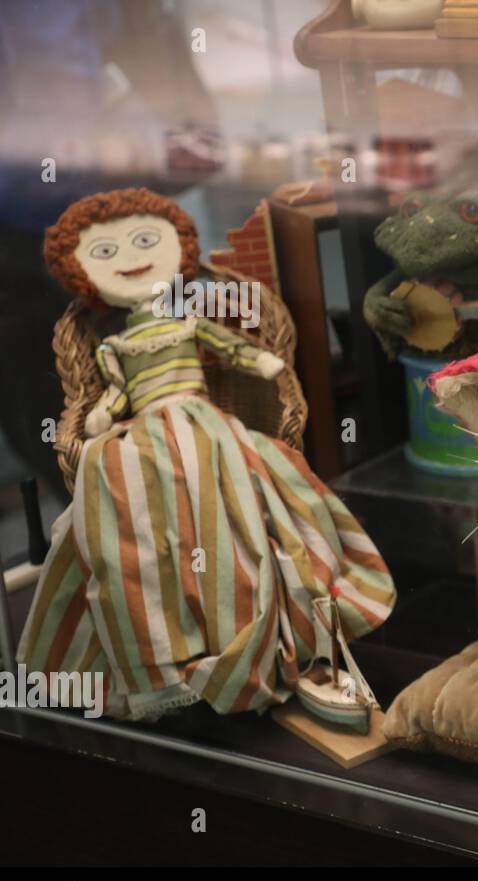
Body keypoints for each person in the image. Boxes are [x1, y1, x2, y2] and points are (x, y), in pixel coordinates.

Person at [19, 188, 396, 719]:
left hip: (205, 421)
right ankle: (167, 660)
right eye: (106, 252)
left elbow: (235, 350)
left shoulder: (190, 322)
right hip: (144, 433)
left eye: (146, 240)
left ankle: (238, 627)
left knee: (237, 492)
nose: (129, 258)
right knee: (125, 491)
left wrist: (264, 365)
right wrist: (104, 416)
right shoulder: (113, 346)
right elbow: (114, 396)